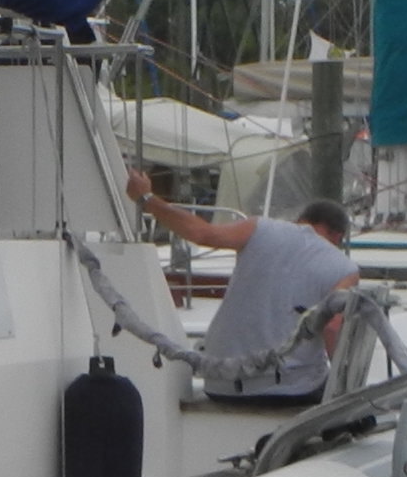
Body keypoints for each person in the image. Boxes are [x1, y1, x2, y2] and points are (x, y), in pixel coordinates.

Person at [124, 168, 358, 403]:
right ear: (337, 237)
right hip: (286, 390)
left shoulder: (259, 228)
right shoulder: (344, 267)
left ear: (300, 220)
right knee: (341, 395)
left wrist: (146, 199)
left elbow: (201, 233)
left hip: (219, 384)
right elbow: (332, 329)